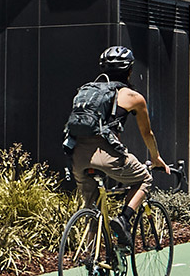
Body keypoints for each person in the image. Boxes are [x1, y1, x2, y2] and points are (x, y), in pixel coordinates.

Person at [65, 44, 170, 214]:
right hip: (107, 156)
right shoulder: (133, 97)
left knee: (91, 209)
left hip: (77, 157)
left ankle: (91, 239)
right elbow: (147, 133)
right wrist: (155, 157)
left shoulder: (86, 91)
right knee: (144, 179)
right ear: (130, 71)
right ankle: (123, 222)